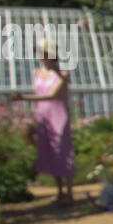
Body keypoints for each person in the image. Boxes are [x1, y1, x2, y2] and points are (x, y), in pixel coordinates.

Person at [11, 40, 75, 206]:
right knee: (50, 151)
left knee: (62, 150)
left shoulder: (63, 73)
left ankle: (69, 192)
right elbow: (40, 95)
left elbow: (52, 95)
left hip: (58, 115)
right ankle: (60, 191)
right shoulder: (37, 72)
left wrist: (23, 98)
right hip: (43, 116)